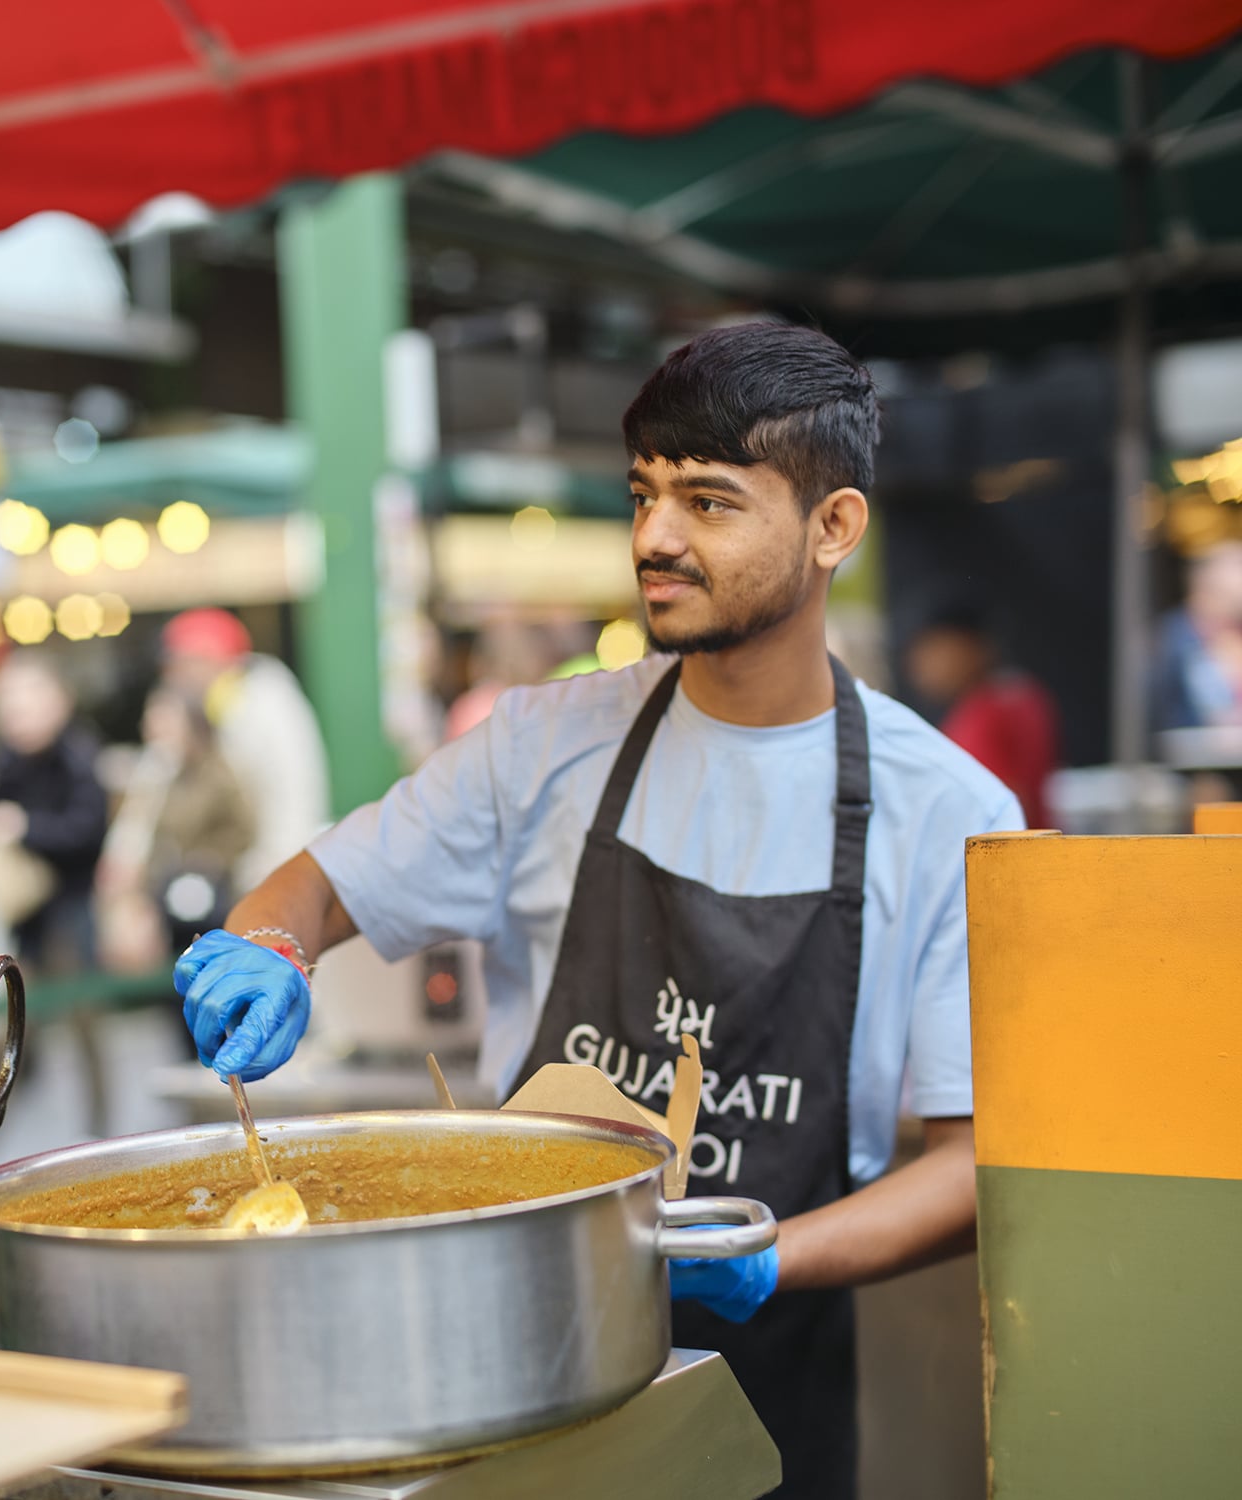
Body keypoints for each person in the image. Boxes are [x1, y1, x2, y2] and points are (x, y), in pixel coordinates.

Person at [174, 324, 1022, 1500]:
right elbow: (316, 888)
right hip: (514, 1369)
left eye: (708, 503)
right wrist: (267, 943)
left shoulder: (949, 810)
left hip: (773, 1395)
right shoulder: (541, 745)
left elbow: (973, 1162)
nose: (652, 539)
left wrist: (769, 1256)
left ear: (833, 527)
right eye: (642, 495)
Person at [161, 609, 329, 890]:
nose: (176, 677)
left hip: (277, 869)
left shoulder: (267, 701)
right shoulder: (219, 706)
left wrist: (279, 863)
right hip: (250, 871)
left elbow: (295, 790)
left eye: (183, 665)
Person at [96, 687, 256, 971]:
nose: (155, 728)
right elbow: (135, 834)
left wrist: (206, 859)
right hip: (161, 894)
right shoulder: (153, 772)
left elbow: (241, 832)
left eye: (165, 720)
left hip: (205, 899)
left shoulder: (215, 774)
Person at [0, 653, 108, 973]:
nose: (15, 716)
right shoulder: (7, 759)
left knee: (76, 994)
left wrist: (25, 826)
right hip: (25, 911)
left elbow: (86, 829)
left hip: (73, 909)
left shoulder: (77, 755)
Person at [904, 602, 1061, 828]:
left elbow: (999, 812)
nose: (921, 665)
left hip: (1007, 857)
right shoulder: (1019, 695)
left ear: (975, 647)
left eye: (936, 649)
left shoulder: (989, 711)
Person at [1151, 538, 1242, 731]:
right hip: (1190, 756)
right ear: (1209, 579)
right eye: (1238, 566)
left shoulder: (1232, 635)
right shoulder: (1174, 638)